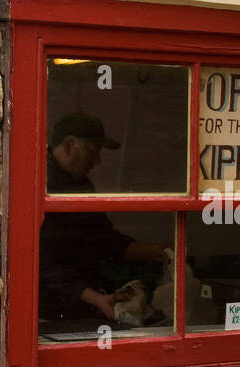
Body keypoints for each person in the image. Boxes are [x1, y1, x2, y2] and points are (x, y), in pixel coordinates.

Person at [40, 112, 167, 323]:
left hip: (82, 305)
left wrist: (149, 250)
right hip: (46, 314)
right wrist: (96, 298)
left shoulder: (80, 185)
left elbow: (103, 238)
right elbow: (43, 262)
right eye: (93, 150)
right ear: (70, 145)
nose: (97, 160)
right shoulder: (41, 183)